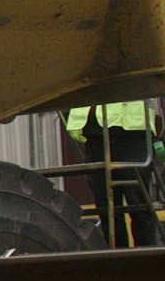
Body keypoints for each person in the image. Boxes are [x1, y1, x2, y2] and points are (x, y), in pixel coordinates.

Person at [66, 102, 163, 247]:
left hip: (133, 132)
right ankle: (118, 259)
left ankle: (144, 259)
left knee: (139, 205)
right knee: (107, 209)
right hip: (96, 133)